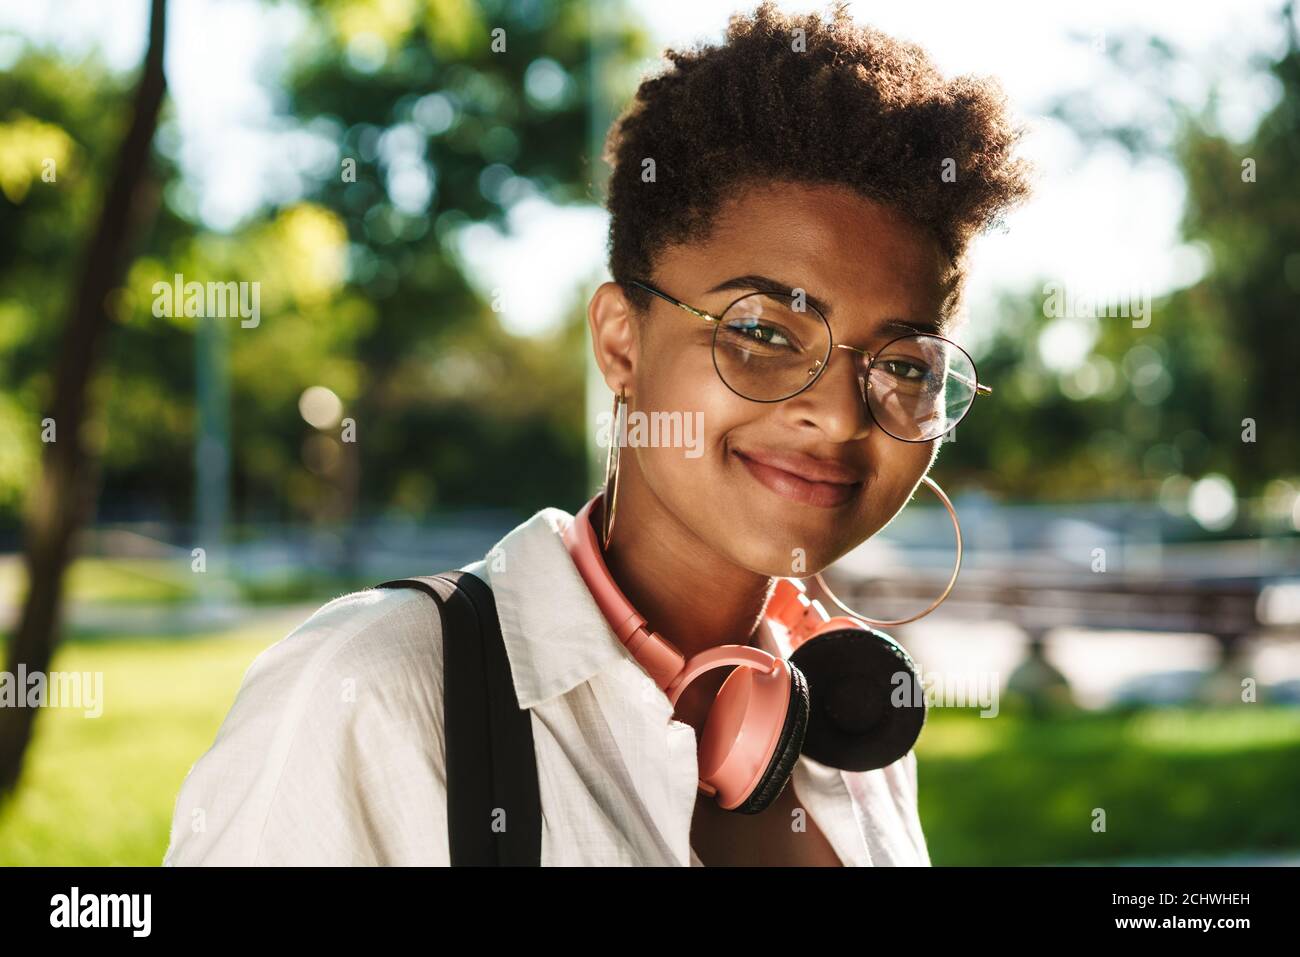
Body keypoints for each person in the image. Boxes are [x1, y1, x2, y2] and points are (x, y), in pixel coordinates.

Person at [163, 1, 1030, 867]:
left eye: (905, 365)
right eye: (763, 331)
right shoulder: (373, 692)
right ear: (622, 342)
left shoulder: (852, 728)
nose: (840, 415)